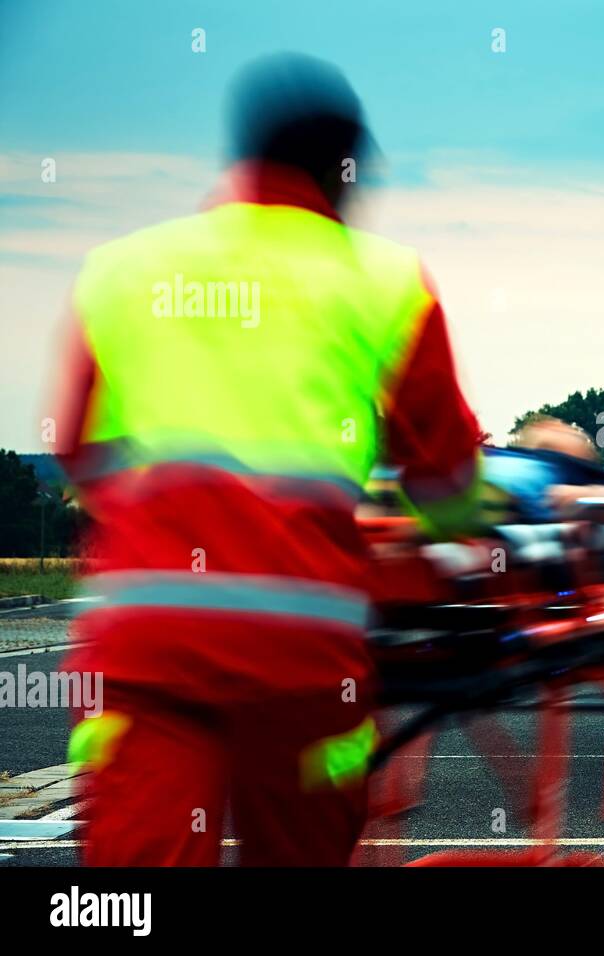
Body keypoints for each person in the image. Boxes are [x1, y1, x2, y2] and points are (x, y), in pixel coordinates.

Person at [50, 52, 482, 865]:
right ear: (344, 173)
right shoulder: (384, 284)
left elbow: (80, 452)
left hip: (145, 655)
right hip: (303, 666)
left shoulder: (123, 272)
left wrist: (174, 527)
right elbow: (448, 483)